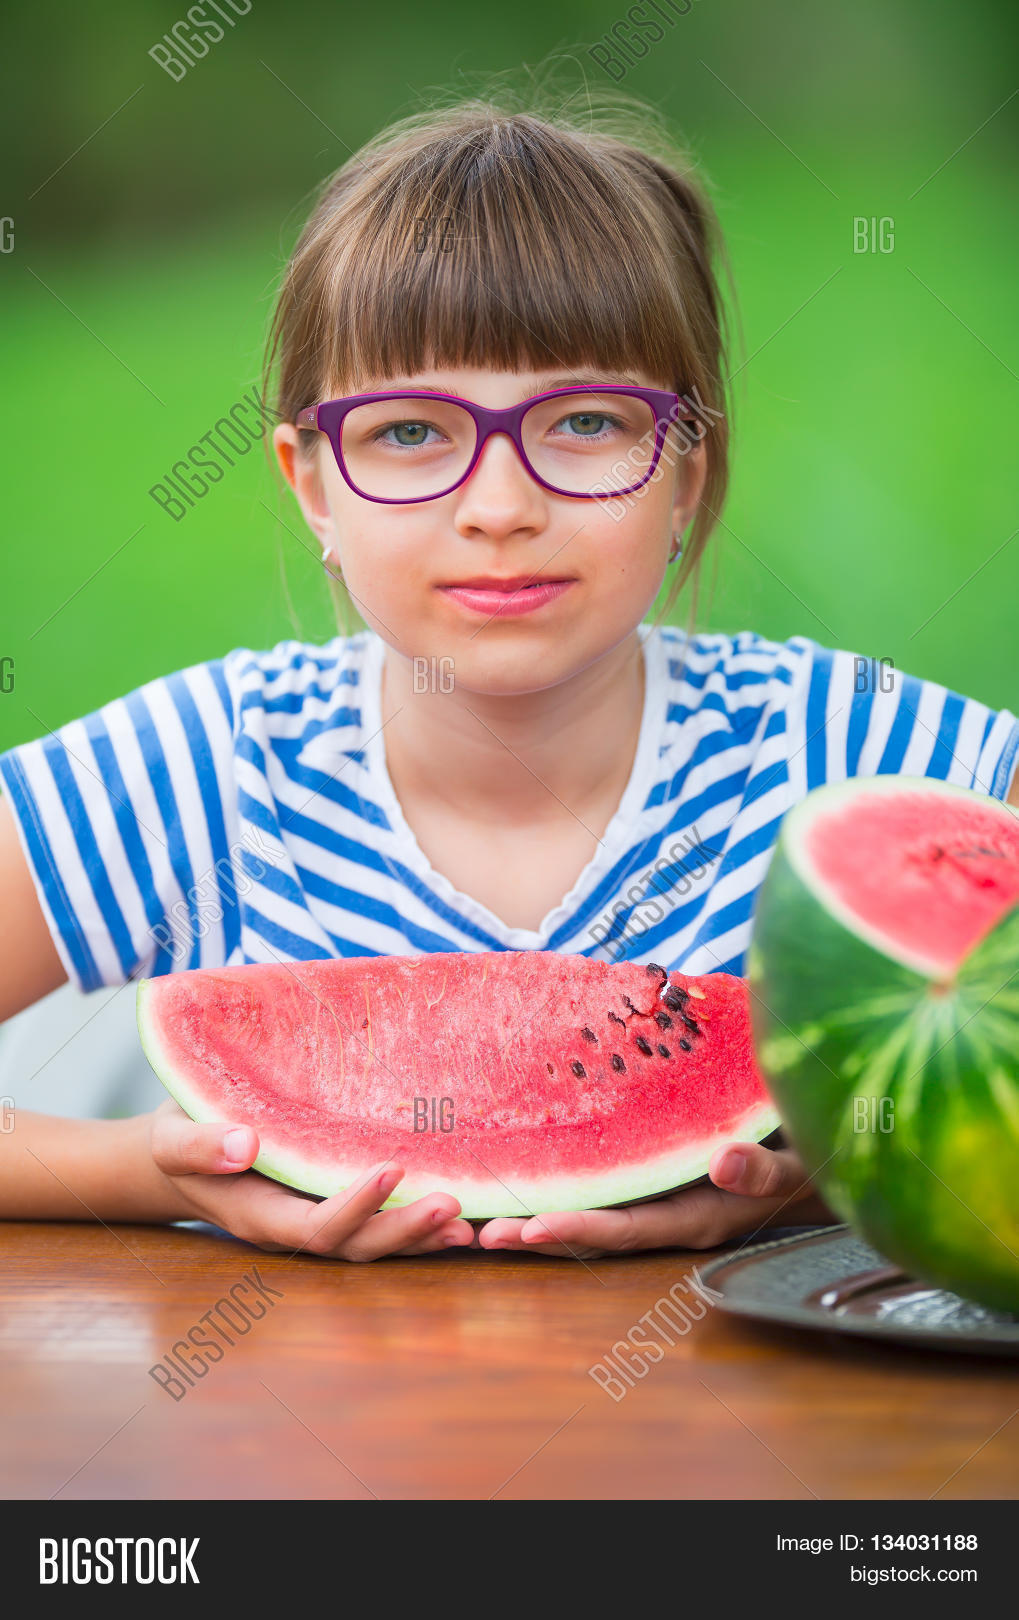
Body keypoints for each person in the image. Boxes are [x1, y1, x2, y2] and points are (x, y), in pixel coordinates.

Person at [2, 92, 1017, 1262]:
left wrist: (820, 1185)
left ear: (683, 477)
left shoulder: (843, 752)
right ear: (312, 487)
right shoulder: (209, 765)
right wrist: (146, 1172)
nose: (499, 508)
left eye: (583, 422)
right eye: (408, 433)